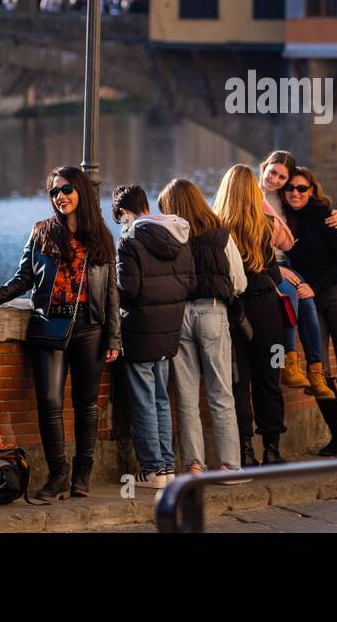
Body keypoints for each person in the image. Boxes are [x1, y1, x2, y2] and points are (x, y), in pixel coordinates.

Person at [0, 166, 119, 501]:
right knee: (49, 402)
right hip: (48, 325)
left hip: (90, 327)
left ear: (82, 193)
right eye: (54, 192)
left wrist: (114, 338)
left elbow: (112, 292)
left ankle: (82, 477)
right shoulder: (42, 232)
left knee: (87, 404)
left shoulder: (101, 235)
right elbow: (23, 278)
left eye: (67, 189)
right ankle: (58, 476)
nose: (60, 196)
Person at [157, 178, 248, 478]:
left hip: (179, 314)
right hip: (212, 310)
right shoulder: (221, 234)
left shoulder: (168, 239)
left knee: (185, 396)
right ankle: (229, 466)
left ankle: (194, 464)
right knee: (220, 393)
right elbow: (240, 281)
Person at [112, 184, 194, 489]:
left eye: (119, 218)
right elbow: (190, 281)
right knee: (161, 398)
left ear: (124, 213)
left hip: (140, 330)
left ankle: (153, 470)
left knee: (144, 400)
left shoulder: (129, 239)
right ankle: (168, 467)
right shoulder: (178, 234)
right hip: (170, 329)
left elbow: (128, 289)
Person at [280, 166, 337, 456]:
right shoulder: (281, 221)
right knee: (320, 370)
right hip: (307, 300)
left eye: (302, 188)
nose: (295, 193)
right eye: (290, 188)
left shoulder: (326, 216)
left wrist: (315, 285)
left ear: (312, 190)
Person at [213, 164, 287, 466]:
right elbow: (277, 276)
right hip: (268, 310)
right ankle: (272, 449)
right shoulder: (265, 224)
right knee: (270, 380)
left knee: (238, 383)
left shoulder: (216, 228)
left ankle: (244, 450)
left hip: (234, 313)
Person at [258, 150, 337, 399]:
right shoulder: (250, 195)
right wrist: (276, 268)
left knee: (307, 299)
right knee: (290, 297)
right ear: (264, 167)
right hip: (266, 266)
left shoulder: (285, 199)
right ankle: (289, 362)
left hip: (287, 264)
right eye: (272, 172)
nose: (275, 180)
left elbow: (311, 207)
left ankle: (315, 372)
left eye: (281, 177)